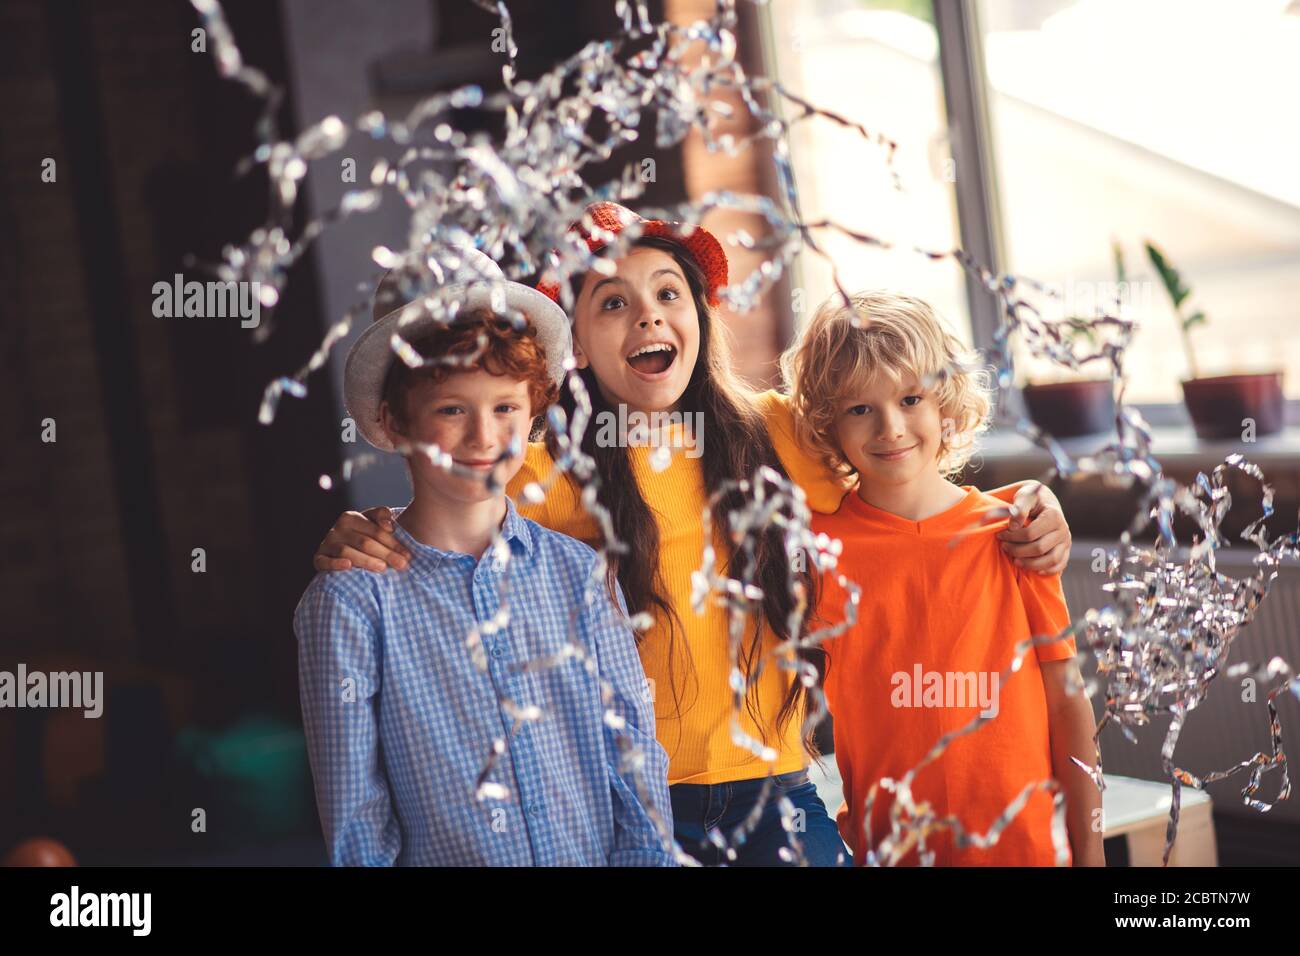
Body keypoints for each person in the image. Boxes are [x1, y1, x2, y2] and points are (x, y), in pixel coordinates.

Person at [311, 203, 1075, 866]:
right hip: (640, 812)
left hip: (777, 793)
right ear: (572, 344)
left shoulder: (781, 434)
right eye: (612, 303)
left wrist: (1024, 501)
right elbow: (450, 508)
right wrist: (364, 529)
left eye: (667, 293)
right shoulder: (539, 471)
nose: (647, 317)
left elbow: (909, 480)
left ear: (701, 315)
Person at [294, 247, 673, 866]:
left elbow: (634, 762)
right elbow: (356, 822)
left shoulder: (581, 574)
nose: (483, 438)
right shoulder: (351, 602)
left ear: (533, 416)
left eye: (505, 408)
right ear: (393, 422)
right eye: (451, 410)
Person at [783, 290, 1104, 866]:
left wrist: (1092, 851)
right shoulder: (815, 547)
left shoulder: (1017, 531)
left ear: (946, 405)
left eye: (911, 399)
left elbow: (1067, 702)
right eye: (859, 408)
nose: (891, 427)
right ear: (828, 422)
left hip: (1025, 852)